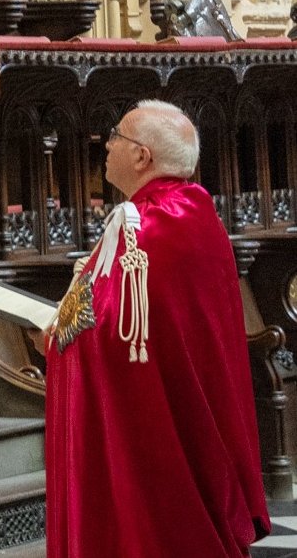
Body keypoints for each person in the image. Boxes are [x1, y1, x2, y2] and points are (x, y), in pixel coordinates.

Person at [45, 99, 269, 557]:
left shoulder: (148, 227)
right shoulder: (193, 214)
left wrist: (54, 337)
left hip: (152, 422)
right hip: (185, 405)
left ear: (142, 156)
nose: (106, 146)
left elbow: (113, 331)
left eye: (116, 137)